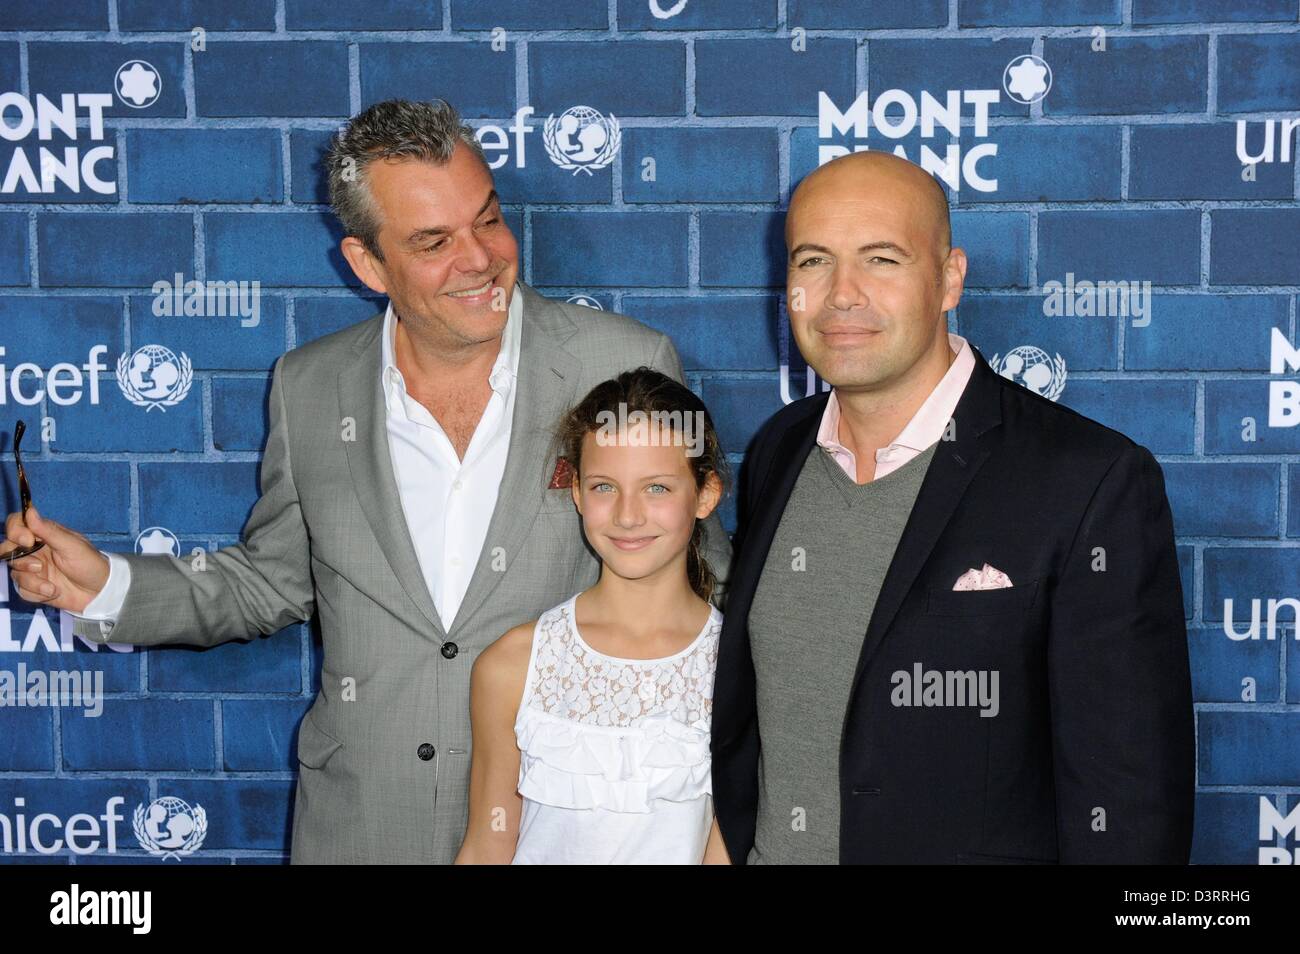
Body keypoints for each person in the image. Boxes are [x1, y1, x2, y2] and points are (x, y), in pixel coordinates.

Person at [0, 99, 731, 864]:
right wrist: (103, 586)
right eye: (433, 241)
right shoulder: (309, 387)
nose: (480, 259)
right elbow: (271, 583)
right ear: (367, 263)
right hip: (363, 829)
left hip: (564, 834)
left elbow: (705, 581)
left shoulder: (619, 363)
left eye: (487, 220)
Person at [710, 150, 1194, 864]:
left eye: (881, 259)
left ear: (949, 278)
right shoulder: (781, 450)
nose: (842, 294)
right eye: (812, 261)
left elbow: (1129, 803)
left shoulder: (1090, 481)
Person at [456, 368, 731, 864]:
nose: (627, 515)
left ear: (705, 494)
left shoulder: (739, 669)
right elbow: (487, 845)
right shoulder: (513, 665)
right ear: (577, 491)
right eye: (605, 487)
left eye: (658, 489)